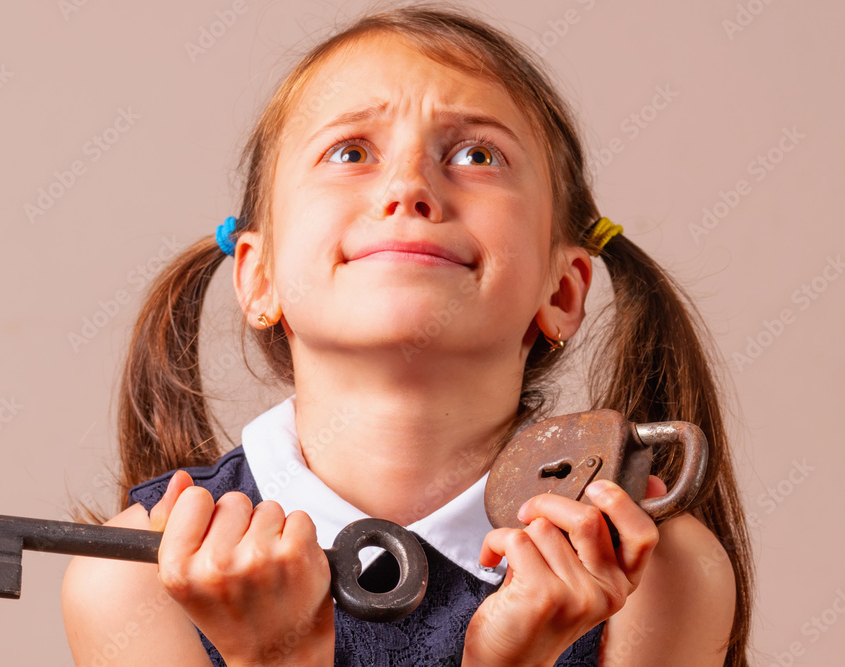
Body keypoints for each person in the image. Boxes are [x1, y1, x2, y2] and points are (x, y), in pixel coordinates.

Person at [61, 4, 753, 665]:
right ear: (258, 277)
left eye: (479, 155)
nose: (409, 187)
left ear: (563, 291)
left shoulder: (657, 572)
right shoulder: (131, 580)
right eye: (350, 151)